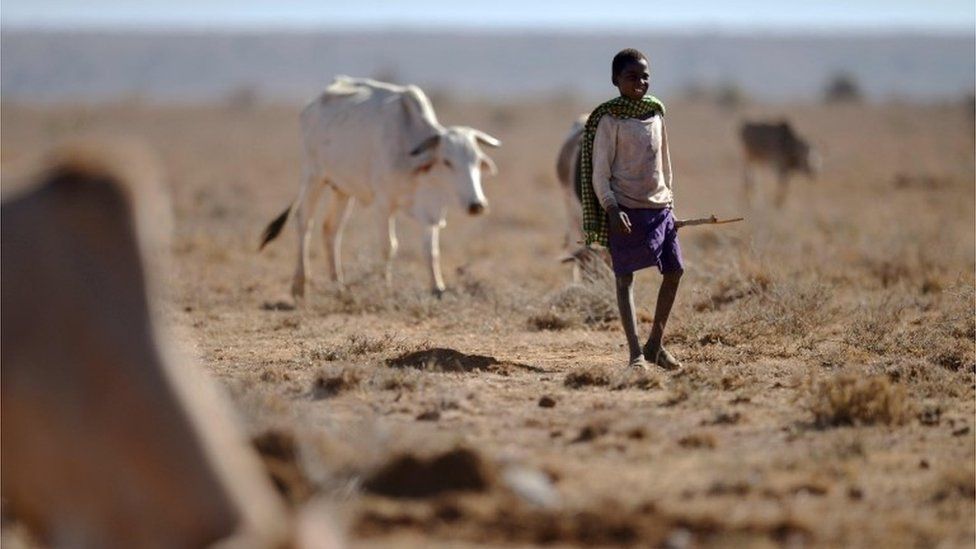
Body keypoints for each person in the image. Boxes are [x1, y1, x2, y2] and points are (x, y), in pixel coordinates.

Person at [576, 48, 683, 370]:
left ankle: (655, 345)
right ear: (615, 80)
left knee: (675, 272)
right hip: (625, 209)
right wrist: (610, 207)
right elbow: (600, 172)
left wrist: (670, 204)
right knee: (624, 279)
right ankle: (635, 354)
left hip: (660, 207)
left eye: (645, 76)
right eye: (631, 77)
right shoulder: (609, 120)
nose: (640, 82)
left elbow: (665, 165)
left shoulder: (656, 113)